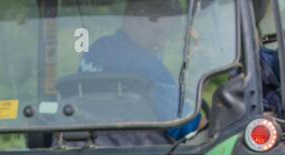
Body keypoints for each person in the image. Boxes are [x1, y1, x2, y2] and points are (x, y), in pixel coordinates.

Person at [79, 0, 201, 140]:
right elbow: (181, 123)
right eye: (157, 33)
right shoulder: (150, 69)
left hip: (84, 143)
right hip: (134, 151)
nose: (161, 43)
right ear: (130, 21)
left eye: (166, 35)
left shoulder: (95, 50)